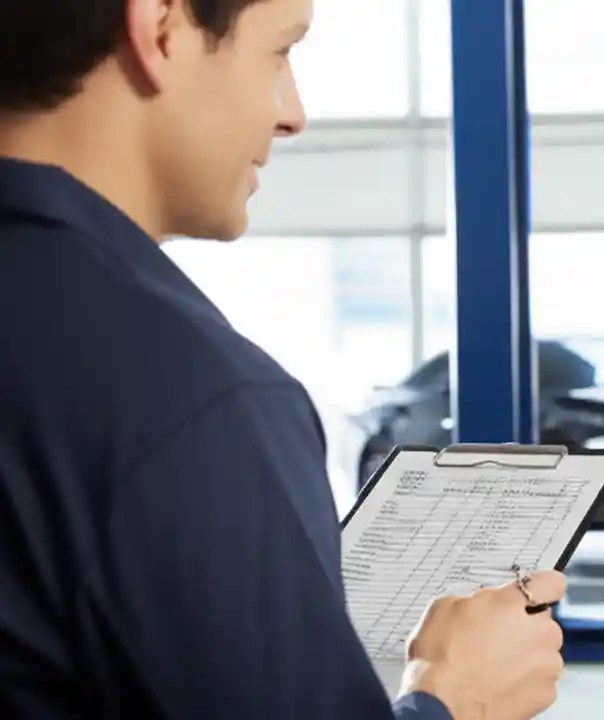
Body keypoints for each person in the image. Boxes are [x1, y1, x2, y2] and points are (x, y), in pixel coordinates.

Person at [0, 1, 565, 718]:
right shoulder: (189, 396)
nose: (292, 114)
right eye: (280, 50)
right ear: (161, 28)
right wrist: (456, 699)